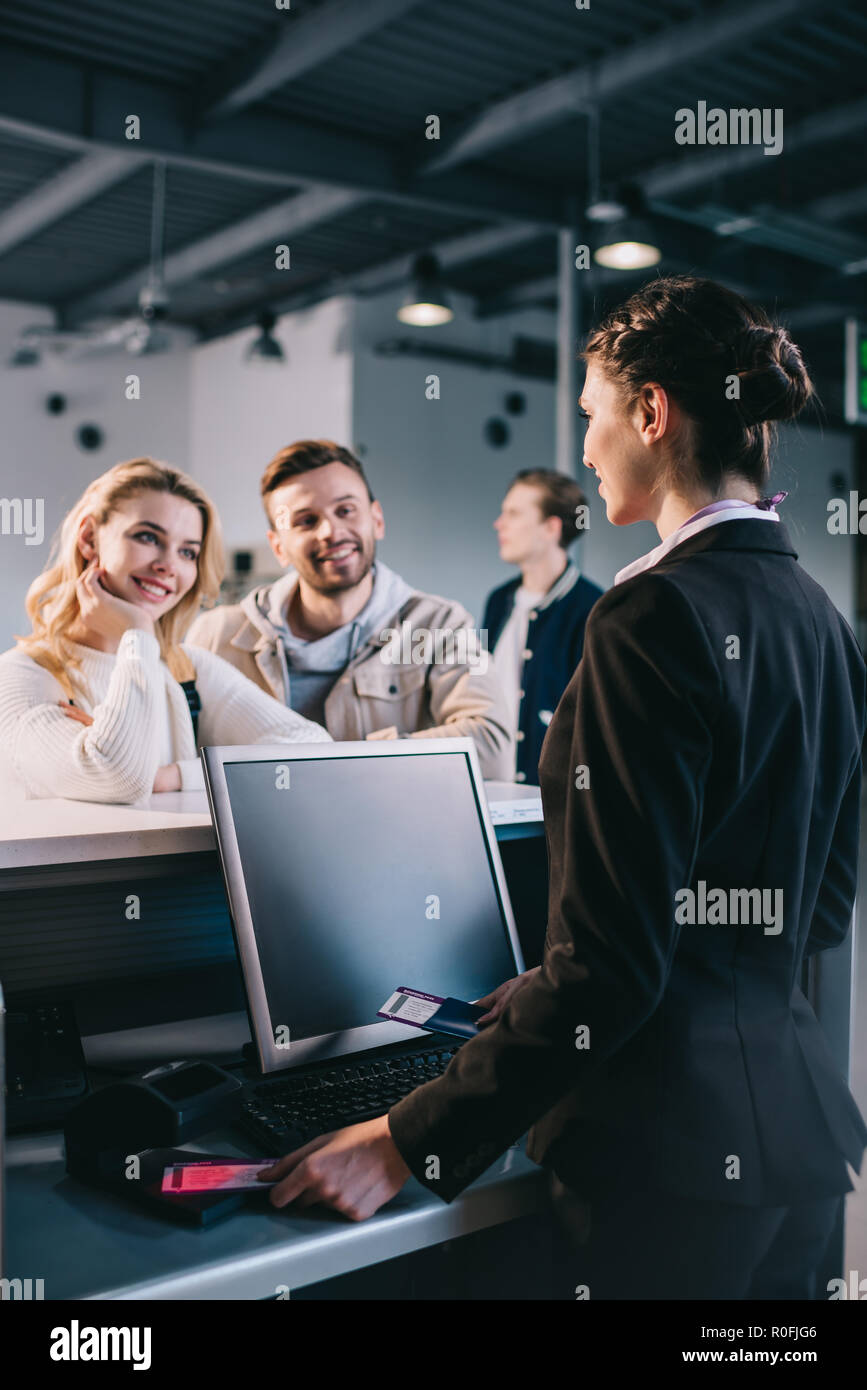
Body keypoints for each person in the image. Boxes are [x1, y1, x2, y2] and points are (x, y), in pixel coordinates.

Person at [257, 276, 867, 1302]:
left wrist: (404, 1139)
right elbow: (823, 903)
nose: (585, 449)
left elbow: (616, 971)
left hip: (662, 1167)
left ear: (652, 412)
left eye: (591, 414)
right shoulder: (821, 618)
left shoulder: (648, 619)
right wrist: (562, 978)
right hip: (793, 1155)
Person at [0, 458, 330, 803]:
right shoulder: (20, 678)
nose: (169, 566)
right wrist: (138, 632)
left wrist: (175, 775)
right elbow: (119, 777)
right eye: (148, 537)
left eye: (188, 552)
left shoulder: (186, 669)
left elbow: (312, 750)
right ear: (88, 539)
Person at [186, 440, 512, 779]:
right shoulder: (215, 636)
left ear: (377, 520)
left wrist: (346, 764)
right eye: (306, 521)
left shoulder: (442, 626)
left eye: (345, 510)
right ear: (278, 547)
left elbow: (492, 746)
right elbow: (181, 753)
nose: (331, 532)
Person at [484, 469, 603, 783]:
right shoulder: (499, 601)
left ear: (551, 528)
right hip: (495, 788)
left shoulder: (593, 609)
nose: (499, 523)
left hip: (550, 801)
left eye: (513, 514)